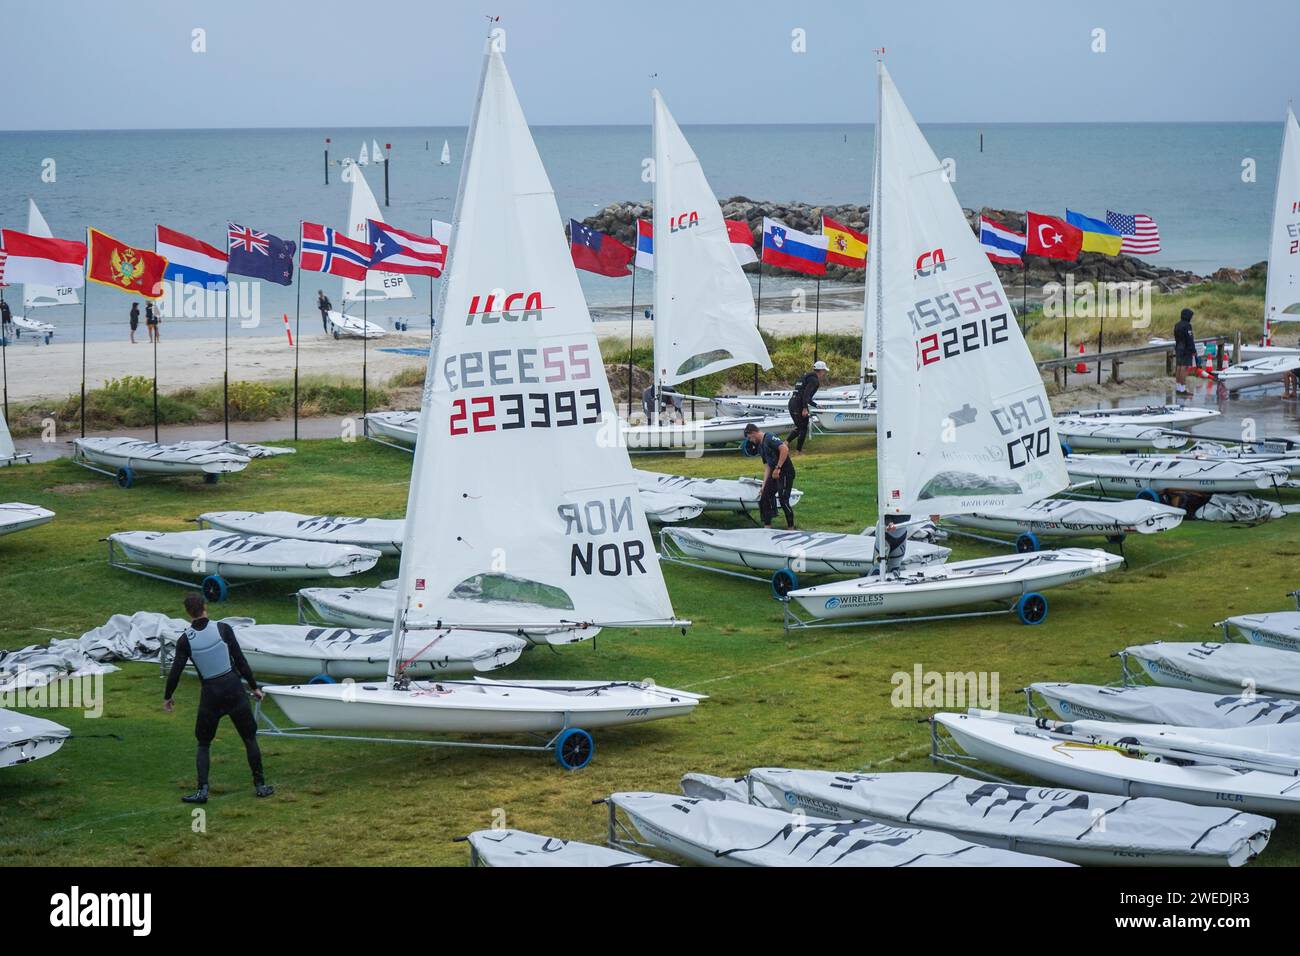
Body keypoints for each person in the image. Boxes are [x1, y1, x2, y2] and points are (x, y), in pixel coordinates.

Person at [163, 593, 272, 804]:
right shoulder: (223, 629)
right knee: (249, 738)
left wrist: (168, 697)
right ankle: (260, 786)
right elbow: (240, 659)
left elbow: (175, 671)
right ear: (205, 606)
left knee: (203, 744)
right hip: (233, 689)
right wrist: (254, 687)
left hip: (211, 695)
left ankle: (202, 791)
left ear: (187, 612)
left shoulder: (185, 640)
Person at [744, 422, 796, 529]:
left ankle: (791, 527)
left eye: (750, 438)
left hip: (785, 472)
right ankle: (767, 526)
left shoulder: (769, 437)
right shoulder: (760, 446)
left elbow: (784, 449)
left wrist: (778, 468)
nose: (750, 441)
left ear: (753, 433)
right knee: (765, 496)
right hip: (774, 473)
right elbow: (767, 466)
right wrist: (764, 485)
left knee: (783, 499)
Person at [787, 359, 829, 452]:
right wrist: (805, 408)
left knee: (801, 427)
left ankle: (785, 444)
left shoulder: (805, 377)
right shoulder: (814, 381)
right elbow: (806, 395)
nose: (825, 373)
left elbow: (806, 396)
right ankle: (798, 451)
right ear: (821, 370)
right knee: (803, 427)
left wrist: (816, 405)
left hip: (792, 403)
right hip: (798, 405)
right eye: (824, 371)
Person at [1173, 308, 1195, 394]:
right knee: (1184, 368)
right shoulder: (1187, 325)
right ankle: (1182, 389)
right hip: (1186, 348)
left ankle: (1178, 388)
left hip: (1178, 347)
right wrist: (1193, 350)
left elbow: (1176, 337)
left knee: (1178, 367)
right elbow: (1190, 339)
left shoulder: (1177, 325)